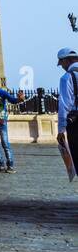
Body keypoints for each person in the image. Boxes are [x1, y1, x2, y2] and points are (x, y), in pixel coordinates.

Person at [56, 48, 78, 179]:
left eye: (62, 64)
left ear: (67, 61)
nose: (62, 67)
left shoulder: (67, 77)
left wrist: (61, 129)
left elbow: (65, 105)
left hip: (75, 122)